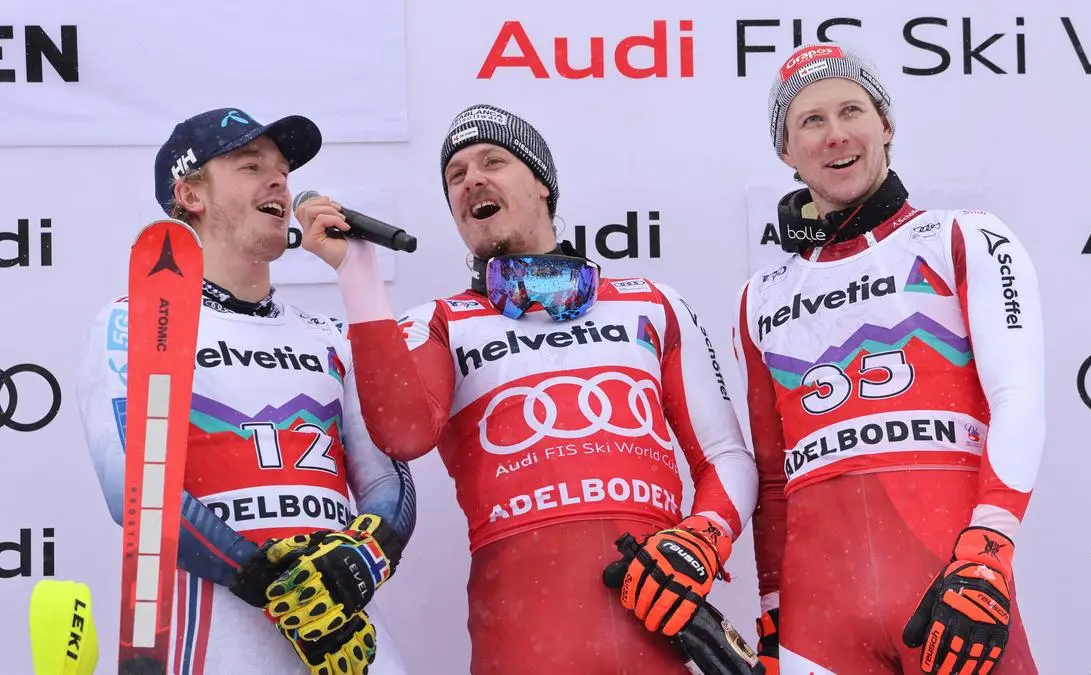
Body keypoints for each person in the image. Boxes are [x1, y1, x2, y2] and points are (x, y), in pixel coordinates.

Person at [295, 103, 759, 674]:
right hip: (522, 641)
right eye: (455, 176)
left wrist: (701, 539)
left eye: (493, 160)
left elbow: (726, 456)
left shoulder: (653, 303)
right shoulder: (440, 322)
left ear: (543, 184)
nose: (473, 180)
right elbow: (402, 432)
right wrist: (358, 275)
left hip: (653, 634)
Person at [734, 44, 1045, 675]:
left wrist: (988, 553)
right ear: (786, 154)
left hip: (955, 596)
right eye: (810, 121)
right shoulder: (759, 296)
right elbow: (772, 478)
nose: (836, 135)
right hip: (817, 628)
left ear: (886, 126)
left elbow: (1018, 398)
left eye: (852, 110)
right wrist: (771, 614)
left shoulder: (965, 237)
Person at [75, 107, 418, 675]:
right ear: (190, 194)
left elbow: (387, 476)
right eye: (250, 165)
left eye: (283, 170)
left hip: (342, 639)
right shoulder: (138, 321)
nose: (279, 181)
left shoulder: (328, 335)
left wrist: (361, 559)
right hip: (216, 641)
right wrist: (259, 575)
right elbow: (134, 488)